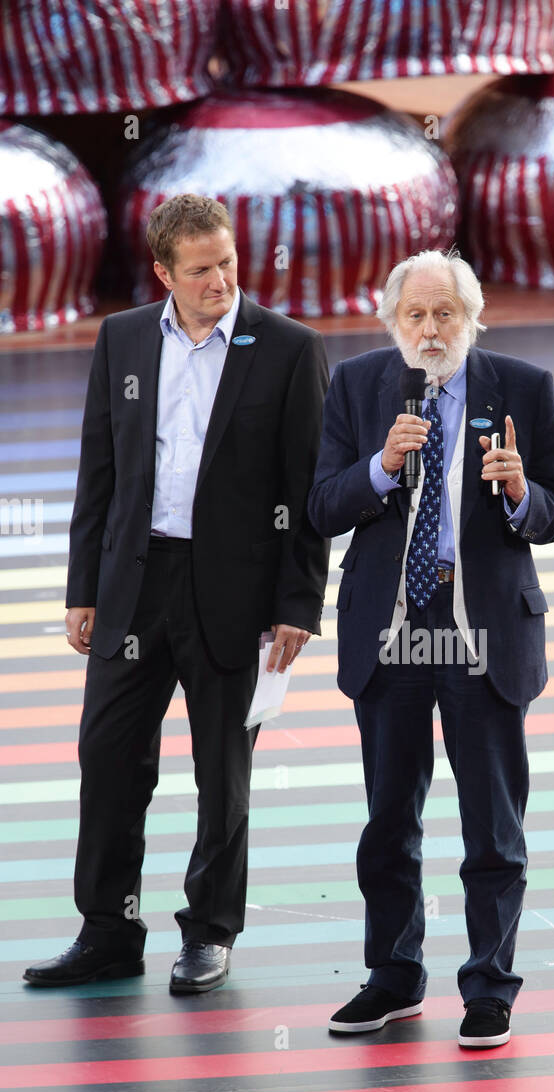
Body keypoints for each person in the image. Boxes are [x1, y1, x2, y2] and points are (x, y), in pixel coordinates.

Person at [24, 194, 330, 994]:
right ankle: (108, 929)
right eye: (200, 270)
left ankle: (210, 933)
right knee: (109, 759)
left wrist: (299, 603)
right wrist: (82, 587)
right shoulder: (123, 339)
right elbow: (99, 470)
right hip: (134, 583)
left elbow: (309, 490)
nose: (220, 281)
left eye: (227, 262)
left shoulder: (290, 349)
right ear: (164, 271)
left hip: (236, 594)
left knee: (221, 770)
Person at [307, 249, 554, 1046]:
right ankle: (392, 976)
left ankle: (489, 988)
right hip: (391, 627)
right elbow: (320, 507)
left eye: (443, 314)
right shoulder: (357, 385)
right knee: (390, 818)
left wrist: (521, 490)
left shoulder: (523, 387)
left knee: (493, 824)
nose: (429, 330)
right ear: (393, 323)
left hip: (481, 630)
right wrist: (381, 468)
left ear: (470, 318)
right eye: (415, 315)